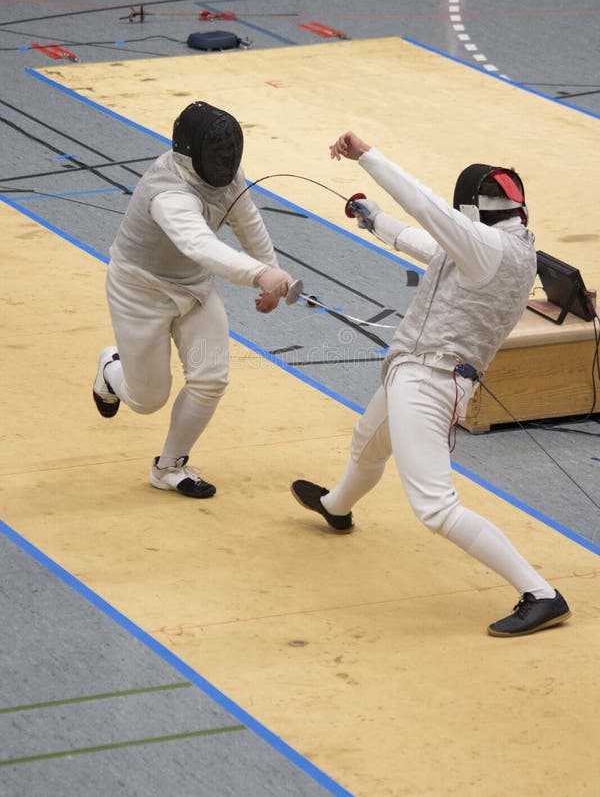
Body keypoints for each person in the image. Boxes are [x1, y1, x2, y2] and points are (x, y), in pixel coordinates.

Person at [291, 131, 571, 638]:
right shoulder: (503, 245)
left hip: (430, 379)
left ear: (473, 212)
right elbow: (424, 242)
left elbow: (426, 208)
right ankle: (336, 508)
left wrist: (367, 157)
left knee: (436, 507)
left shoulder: (487, 248)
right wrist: (374, 219)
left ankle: (541, 593)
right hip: (420, 372)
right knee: (368, 443)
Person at [93, 101, 294, 498]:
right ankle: (110, 367)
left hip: (195, 288)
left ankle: (169, 467)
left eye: (229, 149)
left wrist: (269, 275)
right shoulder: (168, 193)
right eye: (216, 150)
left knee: (210, 379)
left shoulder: (228, 176)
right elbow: (199, 244)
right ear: (190, 154)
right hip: (140, 293)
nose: (225, 159)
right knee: (146, 399)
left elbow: (247, 220)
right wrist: (258, 274)